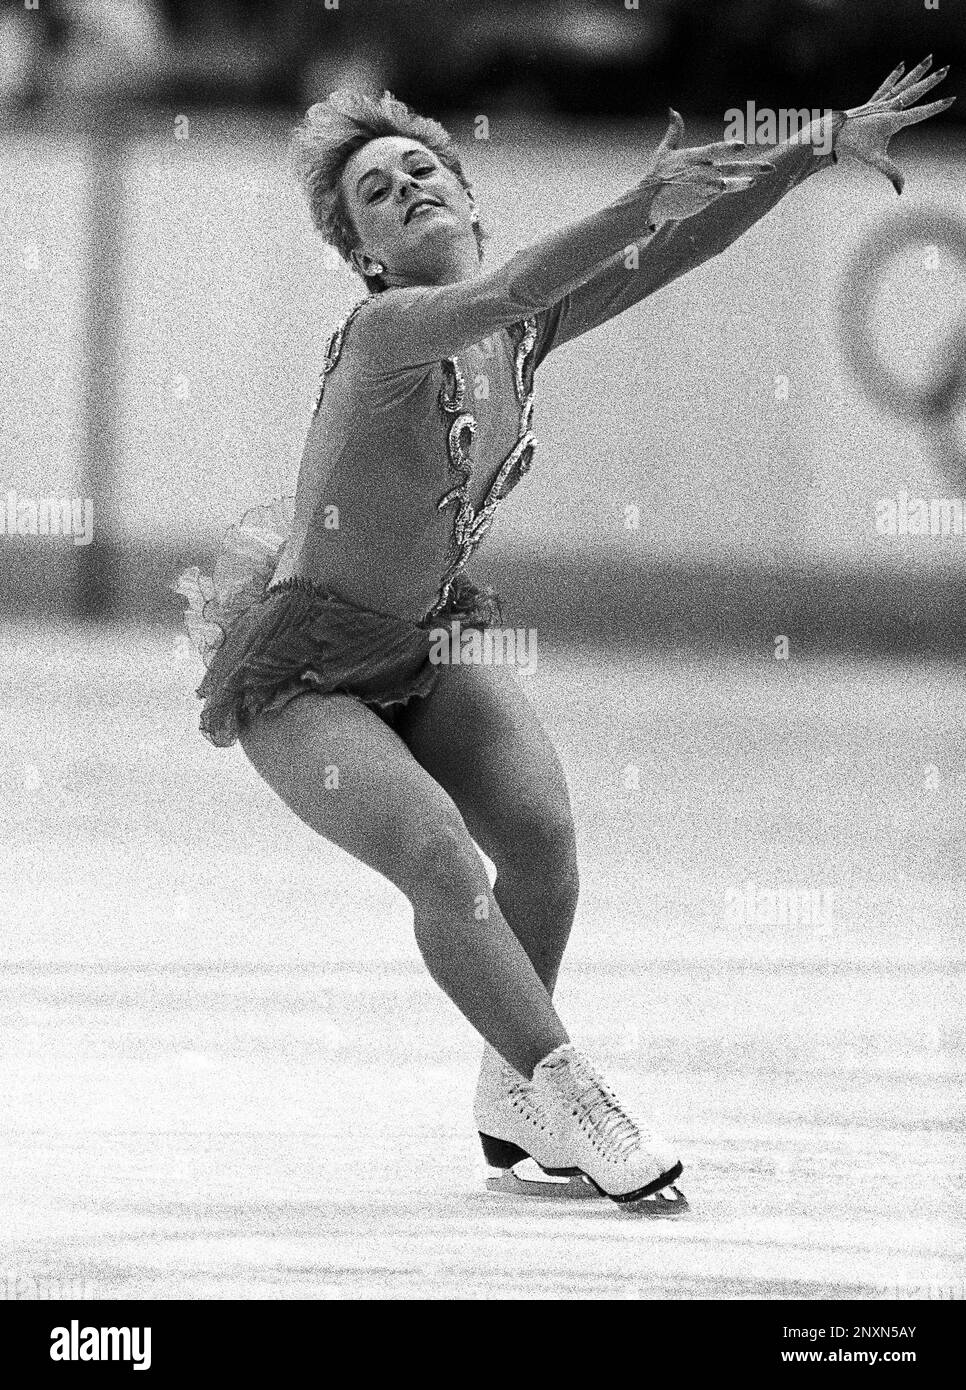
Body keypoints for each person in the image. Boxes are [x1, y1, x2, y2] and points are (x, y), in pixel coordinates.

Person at [176, 58, 952, 1213]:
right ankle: (572, 1089)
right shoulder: (389, 329)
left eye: (421, 168)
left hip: (422, 637)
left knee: (540, 837)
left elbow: (679, 247)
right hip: (302, 674)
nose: (406, 189)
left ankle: (511, 1087)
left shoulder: (524, 327)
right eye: (377, 196)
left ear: (470, 196)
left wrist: (811, 148)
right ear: (367, 257)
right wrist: (637, 199)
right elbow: (516, 286)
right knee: (439, 853)